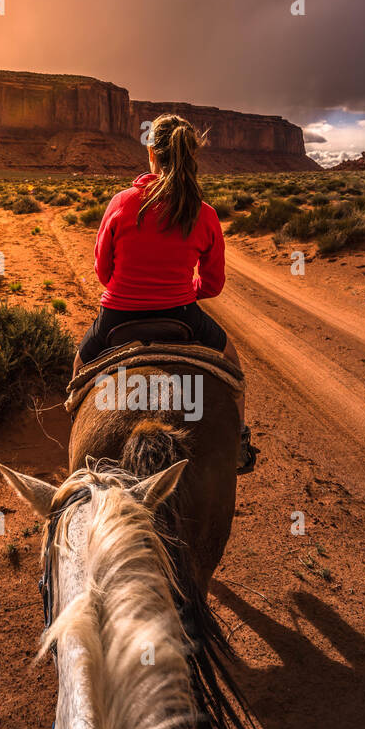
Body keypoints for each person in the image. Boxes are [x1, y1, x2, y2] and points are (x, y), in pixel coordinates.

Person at [73, 113, 256, 473]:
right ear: (191, 156)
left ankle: (78, 445)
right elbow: (213, 284)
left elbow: (103, 272)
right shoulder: (203, 213)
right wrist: (182, 289)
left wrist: (131, 287)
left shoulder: (122, 202)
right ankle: (238, 444)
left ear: (151, 153)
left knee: (79, 368)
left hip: (117, 319)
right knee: (233, 367)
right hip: (182, 316)